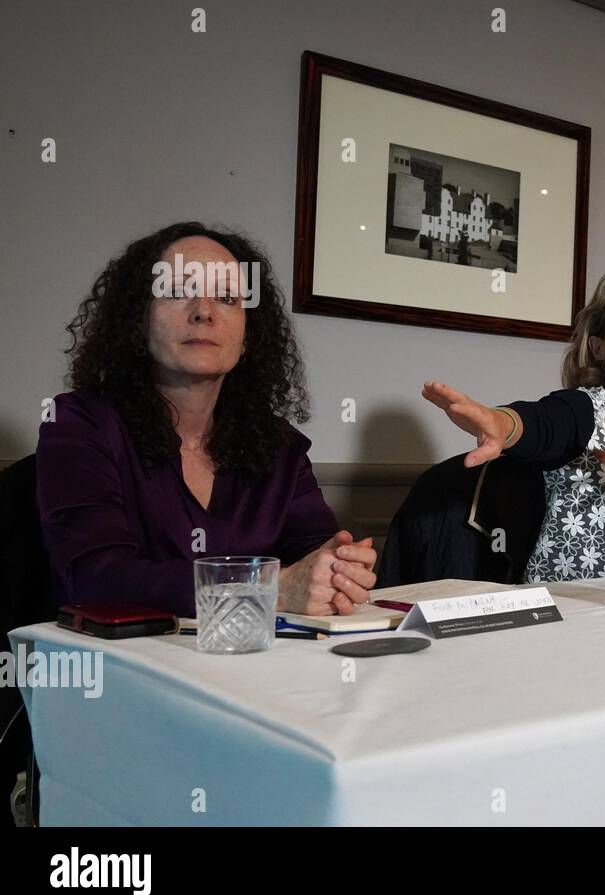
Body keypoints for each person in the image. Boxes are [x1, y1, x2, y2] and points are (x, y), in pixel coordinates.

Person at [37, 222, 376, 617]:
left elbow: (315, 551)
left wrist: (339, 572)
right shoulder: (80, 424)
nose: (204, 312)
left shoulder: (281, 446)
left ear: (249, 334)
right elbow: (96, 578)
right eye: (178, 291)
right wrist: (268, 588)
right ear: (138, 319)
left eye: (228, 298)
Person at [421, 265, 605, 581]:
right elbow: (538, 424)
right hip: (572, 611)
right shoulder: (581, 409)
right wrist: (501, 425)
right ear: (599, 347)